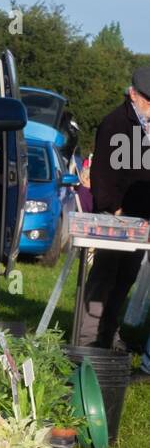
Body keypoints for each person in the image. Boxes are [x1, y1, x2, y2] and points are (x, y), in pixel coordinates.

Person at [78, 66, 150, 348]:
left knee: (125, 278)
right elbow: (103, 174)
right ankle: (87, 340)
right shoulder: (116, 123)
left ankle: (108, 334)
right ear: (133, 94)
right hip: (116, 218)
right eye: (148, 100)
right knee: (103, 279)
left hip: (141, 219)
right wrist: (112, 208)